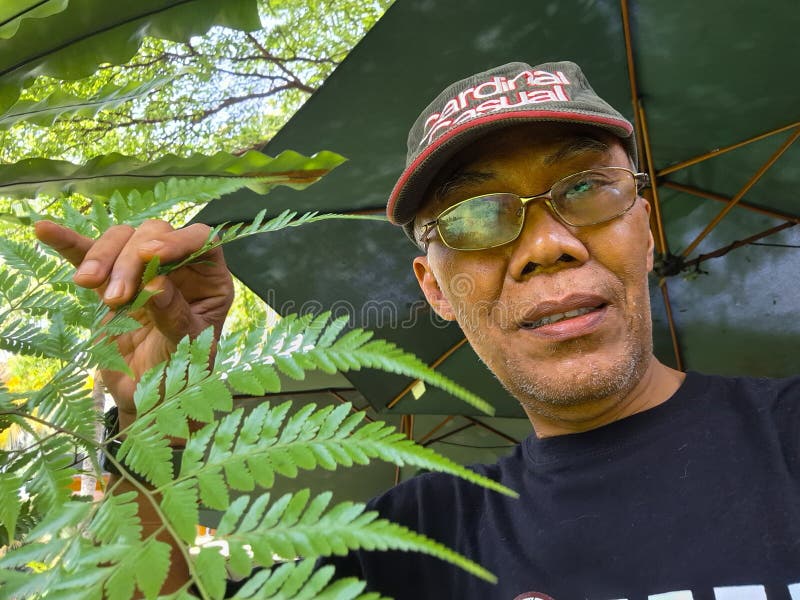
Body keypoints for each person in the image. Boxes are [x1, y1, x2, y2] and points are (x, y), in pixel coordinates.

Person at [36, 61, 800, 599]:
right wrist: (146, 420)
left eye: (584, 188)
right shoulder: (416, 540)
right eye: (473, 218)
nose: (547, 244)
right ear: (433, 287)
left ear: (644, 224)